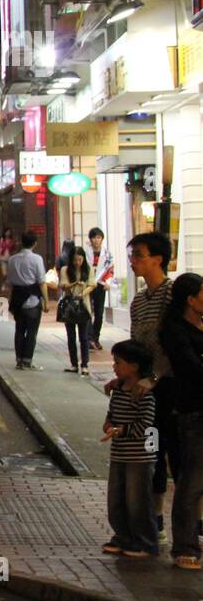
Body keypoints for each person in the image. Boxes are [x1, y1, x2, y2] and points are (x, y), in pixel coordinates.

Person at [124, 231, 175, 540]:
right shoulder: (139, 301)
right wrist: (126, 375)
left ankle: (188, 523)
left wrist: (154, 377)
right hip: (145, 392)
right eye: (132, 256)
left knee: (173, 454)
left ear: (158, 259)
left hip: (171, 389)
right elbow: (136, 346)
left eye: (139, 255)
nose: (133, 261)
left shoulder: (173, 295)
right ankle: (154, 519)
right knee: (150, 453)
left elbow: (175, 347)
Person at [159, 273, 203, 569]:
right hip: (194, 410)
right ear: (190, 299)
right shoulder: (176, 330)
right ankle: (185, 546)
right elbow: (191, 368)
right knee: (192, 479)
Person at [101, 339, 159, 558]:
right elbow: (112, 412)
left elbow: (146, 424)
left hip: (140, 456)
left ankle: (145, 542)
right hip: (119, 453)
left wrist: (121, 431)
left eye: (118, 362)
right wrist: (108, 424)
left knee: (138, 501)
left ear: (134, 366)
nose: (114, 366)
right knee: (116, 499)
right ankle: (123, 537)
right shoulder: (119, 389)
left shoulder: (143, 394)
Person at [5, 231, 48, 370]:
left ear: (21, 242)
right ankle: (27, 360)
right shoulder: (37, 259)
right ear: (35, 243)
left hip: (17, 299)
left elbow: (9, 280)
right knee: (31, 332)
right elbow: (42, 281)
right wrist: (46, 301)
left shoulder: (12, 259)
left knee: (19, 330)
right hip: (33, 300)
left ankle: (19, 360)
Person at [60, 246, 95, 376]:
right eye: (75, 260)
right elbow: (63, 286)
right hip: (69, 305)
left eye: (80, 260)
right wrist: (74, 284)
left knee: (84, 337)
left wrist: (82, 293)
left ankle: (85, 365)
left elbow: (92, 285)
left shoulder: (89, 269)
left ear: (83, 259)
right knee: (71, 336)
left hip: (83, 305)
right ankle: (74, 364)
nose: (77, 263)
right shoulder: (65, 270)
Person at [87, 227, 114, 350]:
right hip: (87, 285)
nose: (96, 240)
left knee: (99, 313)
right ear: (90, 239)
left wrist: (108, 282)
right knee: (87, 312)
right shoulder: (85, 253)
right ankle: (88, 338)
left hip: (101, 285)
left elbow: (110, 270)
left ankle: (95, 338)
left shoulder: (107, 254)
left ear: (102, 239)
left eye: (98, 237)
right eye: (94, 237)